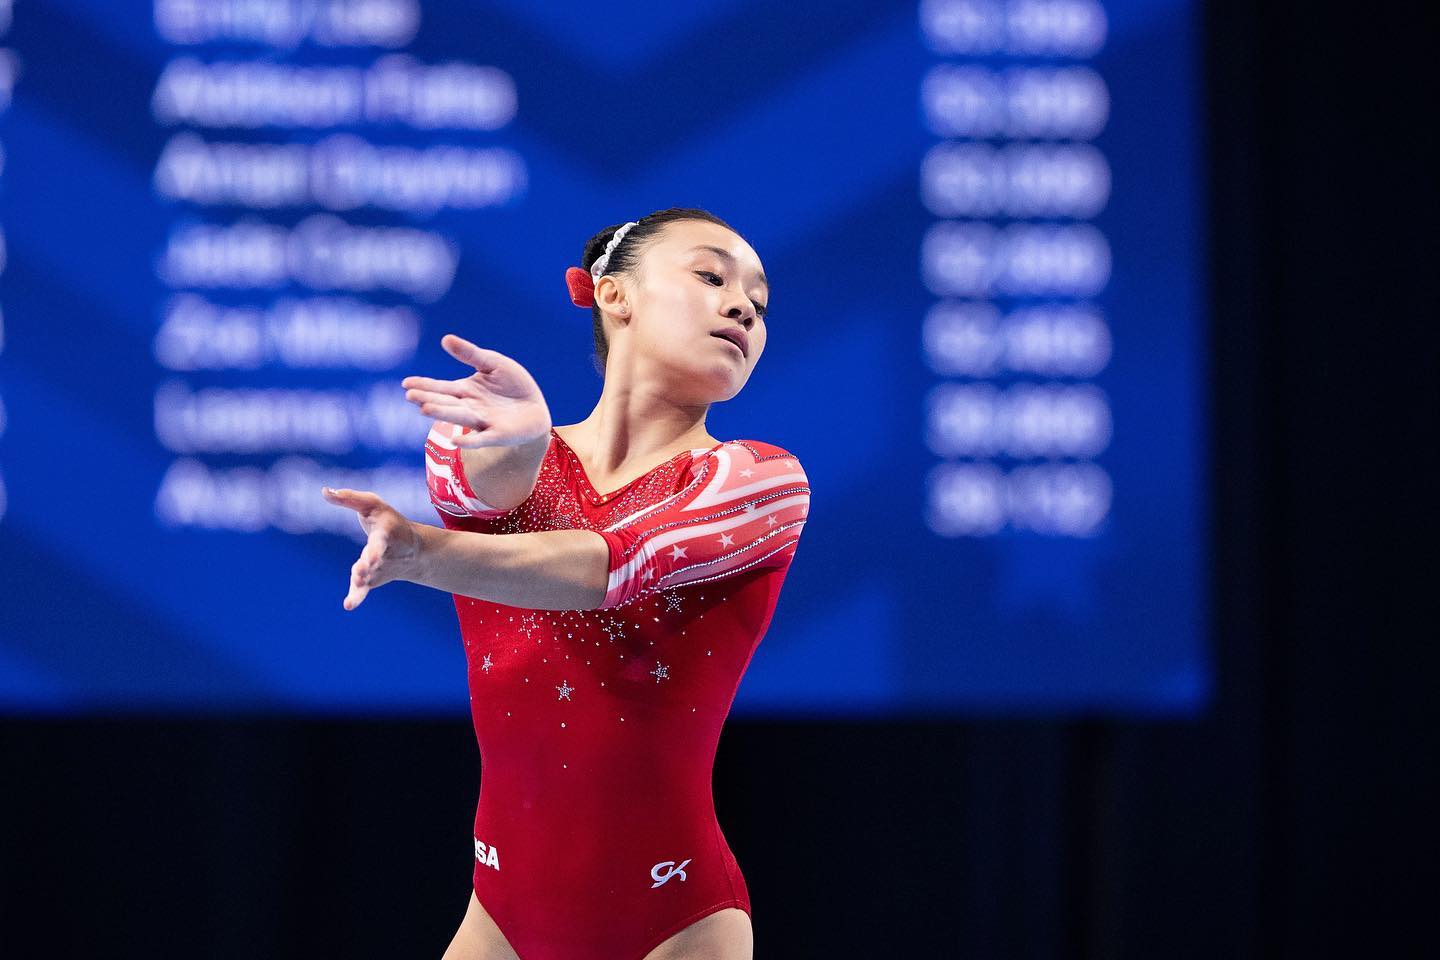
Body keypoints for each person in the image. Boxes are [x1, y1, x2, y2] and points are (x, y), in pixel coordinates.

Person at [321, 207, 810, 960]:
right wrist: (520, 441)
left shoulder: (759, 481)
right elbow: (492, 494)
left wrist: (419, 552)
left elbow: (615, 564)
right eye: (711, 276)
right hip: (498, 919)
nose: (743, 304)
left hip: (675, 923)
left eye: (759, 302)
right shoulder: (475, 427)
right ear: (616, 295)